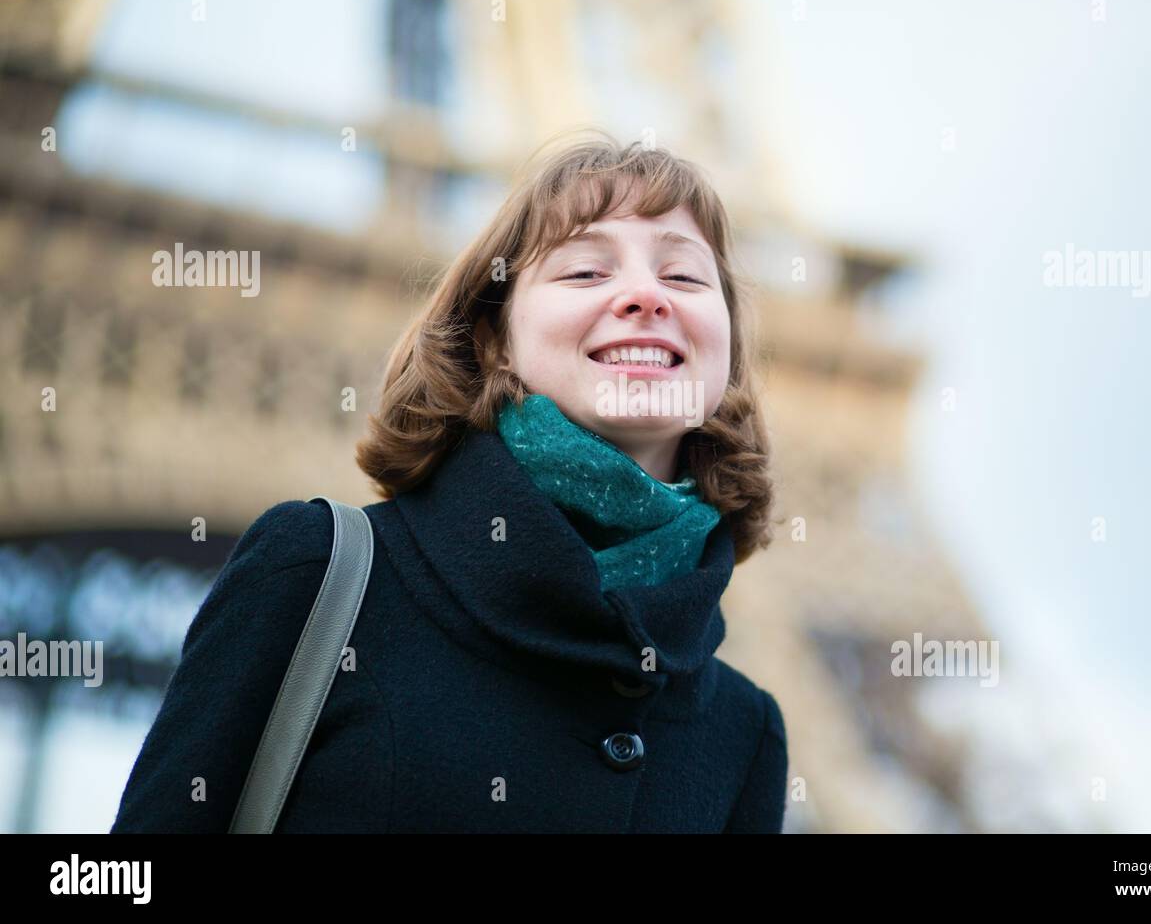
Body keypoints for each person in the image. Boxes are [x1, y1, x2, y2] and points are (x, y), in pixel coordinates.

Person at [111, 131, 788, 833]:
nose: (645, 295)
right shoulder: (315, 576)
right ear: (495, 338)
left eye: (683, 276)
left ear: (726, 349)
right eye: (586, 272)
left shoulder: (745, 732)